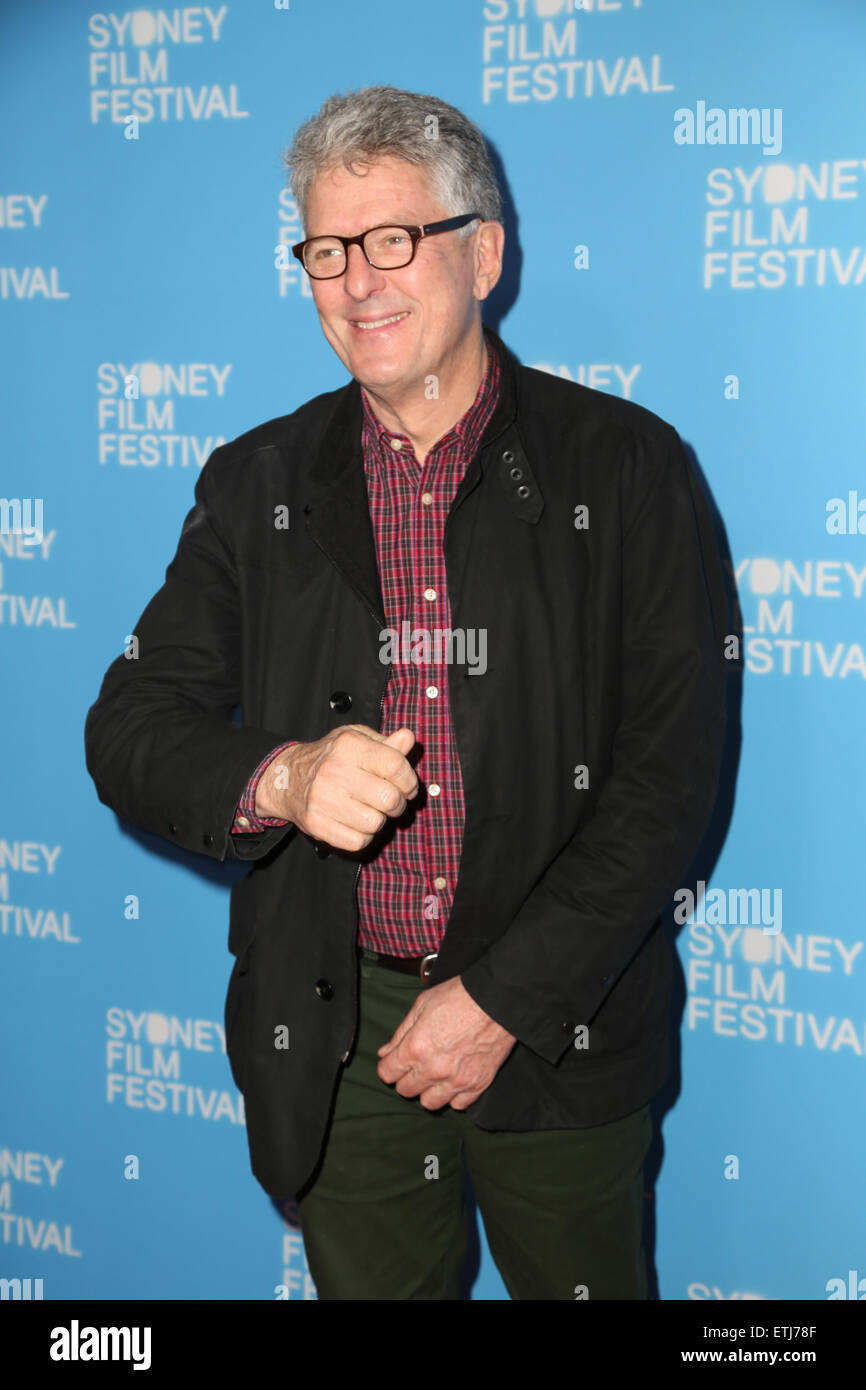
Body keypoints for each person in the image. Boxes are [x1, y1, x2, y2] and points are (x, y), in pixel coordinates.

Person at [84, 85, 729, 1300]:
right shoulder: (254, 480)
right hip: (333, 1028)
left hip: (561, 1023)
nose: (358, 282)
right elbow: (130, 728)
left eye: (393, 240)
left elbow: (667, 771)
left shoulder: (625, 465)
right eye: (326, 251)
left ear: (480, 253)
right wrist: (282, 775)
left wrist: (501, 998)